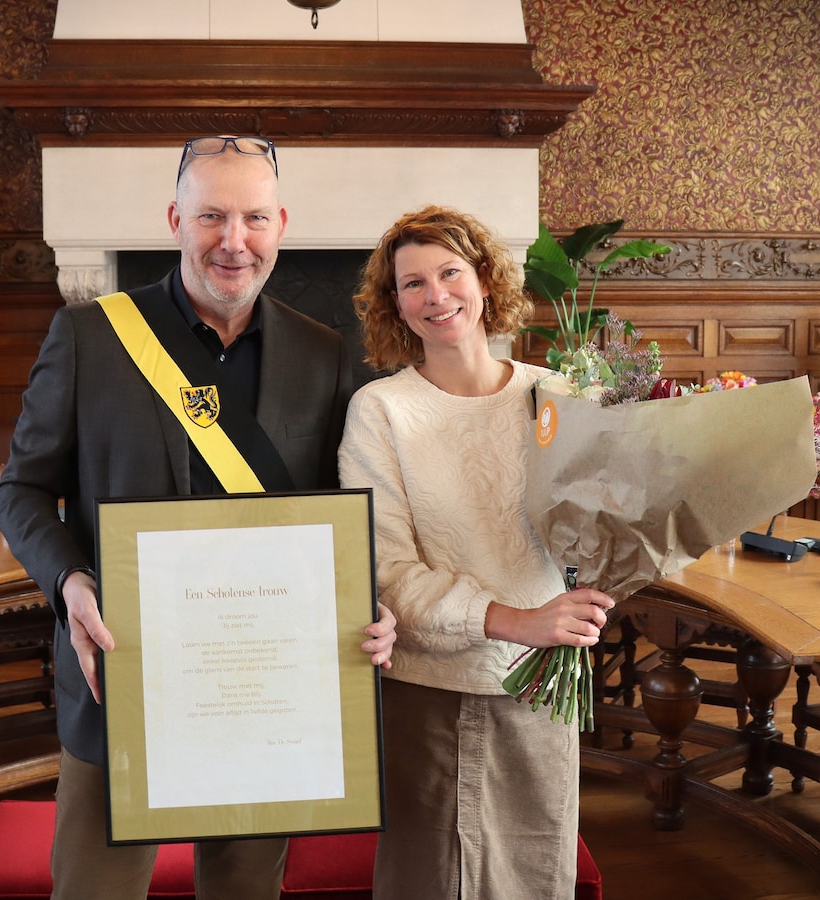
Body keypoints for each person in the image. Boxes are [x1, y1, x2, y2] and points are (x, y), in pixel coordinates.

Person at [0, 135, 396, 900]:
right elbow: (20, 491)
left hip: (263, 686)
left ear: (281, 225)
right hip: (120, 674)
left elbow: (336, 517)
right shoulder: (89, 336)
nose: (233, 241)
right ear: (176, 220)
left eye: (254, 218)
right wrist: (71, 582)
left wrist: (365, 602)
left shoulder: (324, 352)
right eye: (212, 215)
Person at [338, 205, 614, 899]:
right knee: (429, 881)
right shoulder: (380, 410)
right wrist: (517, 620)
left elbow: (600, 529)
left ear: (486, 280)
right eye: (412, 283)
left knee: (535, 875)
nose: (436, 296)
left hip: (541, 683)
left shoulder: (556, 395)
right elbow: (385, 571)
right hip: (428, 689)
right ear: (394, 304)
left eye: (450, 273)